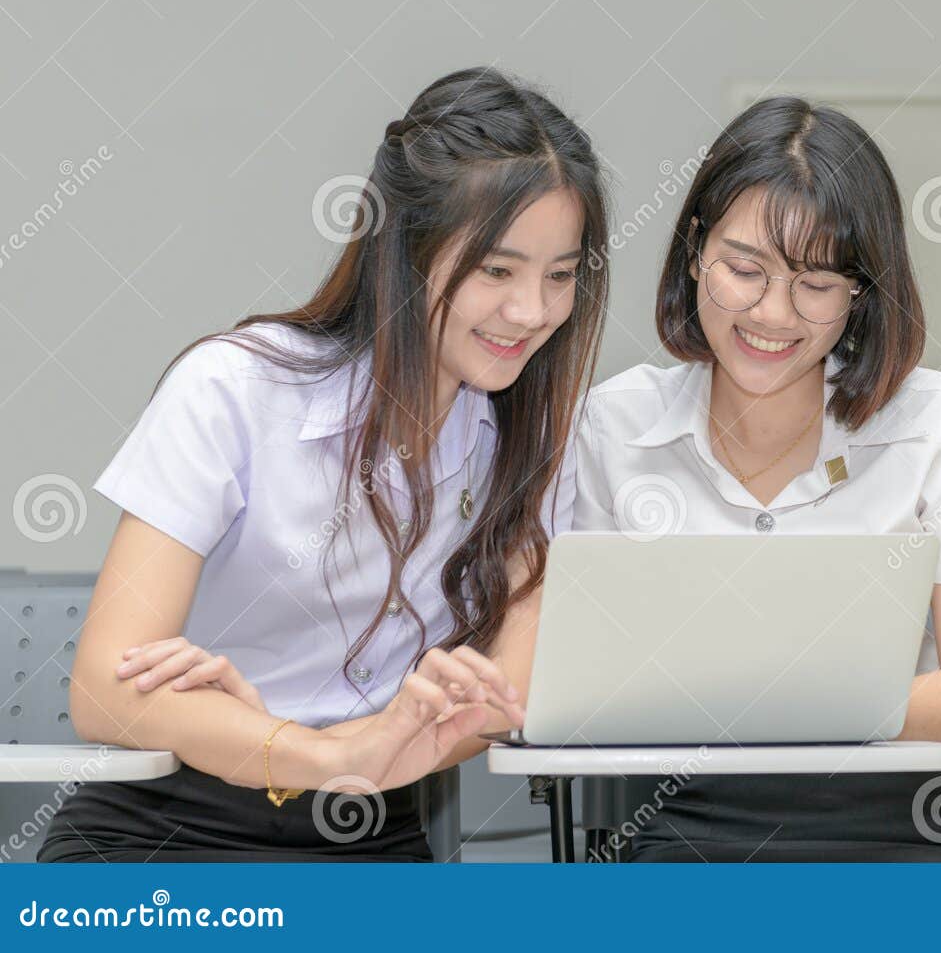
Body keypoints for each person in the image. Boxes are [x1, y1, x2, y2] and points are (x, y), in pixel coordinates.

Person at [38, 66, 609, 861]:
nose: (533, 312)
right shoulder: (232, 388)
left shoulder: (540, 438)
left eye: (560, 275)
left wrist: (368, 747)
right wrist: (313, 751)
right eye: (497, 270)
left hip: (371, 836)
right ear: (405, 250)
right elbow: (103, 690)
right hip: (165, 826)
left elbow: (503, 696)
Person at [571, 96, 941, 861]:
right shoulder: (615, 427)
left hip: (912, 816)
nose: (772, 313)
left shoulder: (938, 422)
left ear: (862, 291)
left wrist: (767, 698)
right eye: (743, 269)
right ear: (694, 249)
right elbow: (586, 676)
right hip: (695, 811)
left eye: (816, 283)